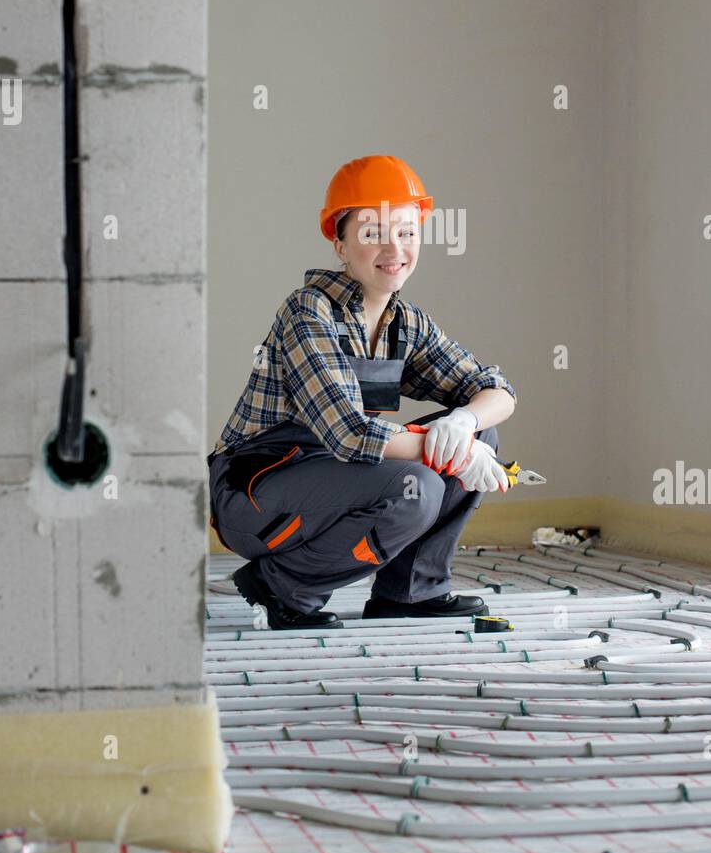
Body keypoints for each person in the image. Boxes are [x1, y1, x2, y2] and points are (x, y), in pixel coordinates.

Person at [207, 155, 517, 630]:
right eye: (373, 232)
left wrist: (465, 425)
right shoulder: (309, 311)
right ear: (339, 242)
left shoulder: (405, 323)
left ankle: (410, 593)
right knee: (419, 486)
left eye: (408, 232)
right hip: (256, 487)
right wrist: (453, 453)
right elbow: (349, 434)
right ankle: (281, 586)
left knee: (481, 437)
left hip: (332, 475)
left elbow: (496, 389)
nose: (394, 247)